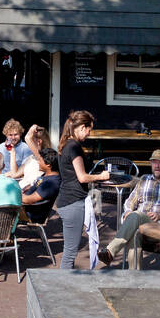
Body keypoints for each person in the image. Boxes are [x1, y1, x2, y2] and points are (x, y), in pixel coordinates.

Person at [97, 150, 160, 267]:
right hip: (138, 224)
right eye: (154, 162)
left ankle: (111, 251)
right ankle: (135, 277)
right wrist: (128, 211)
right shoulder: (144, 179)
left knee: (136, 217)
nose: (157, 166)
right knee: (134, 230)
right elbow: (130, 201)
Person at [56, 111, 110, 270]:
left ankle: (65, 284)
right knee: (70, 252)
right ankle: (63, 287)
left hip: (67, 200)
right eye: (88, 129)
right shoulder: (74, 147)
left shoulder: (65, 144)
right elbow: (82, 177)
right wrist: (101, 176)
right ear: (80, 127)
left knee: (69, 250)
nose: (89, 134)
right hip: (73, 202)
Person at [20, 146, 61, 211]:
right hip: (23, 204)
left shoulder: (51, 183)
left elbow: (29, 200)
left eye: (40, 160)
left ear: (48, 165)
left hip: (28, 212)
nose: (38, 162)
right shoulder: (47, 174)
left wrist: (15, 195)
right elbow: (37, 184)